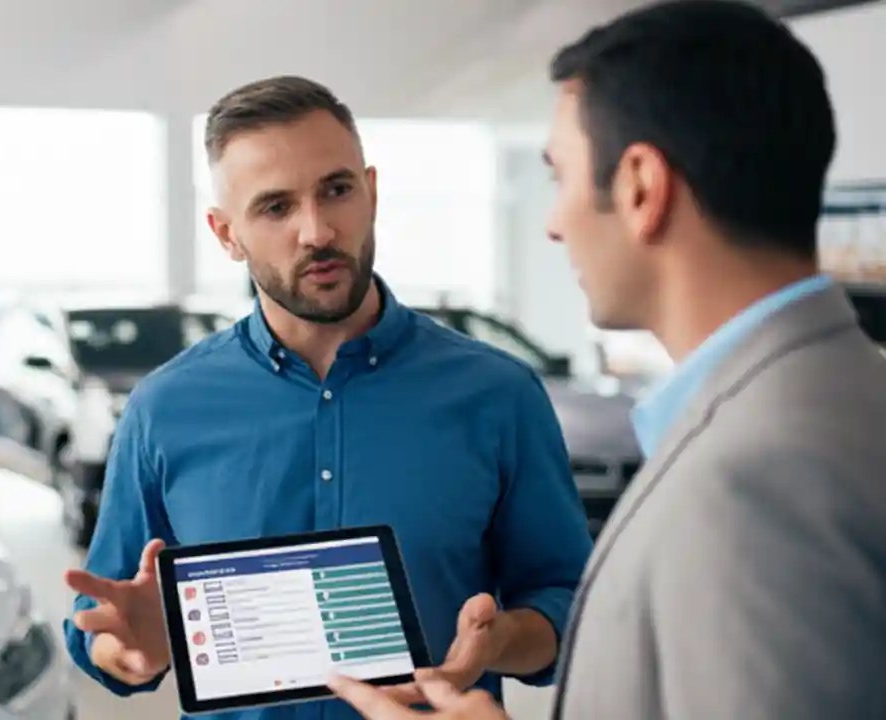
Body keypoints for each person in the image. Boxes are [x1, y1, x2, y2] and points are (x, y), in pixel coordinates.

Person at [328, 1, 886, 718]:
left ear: (641, 187)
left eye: (560, 177)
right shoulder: (843, 397)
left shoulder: (755, 480)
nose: (554, 224)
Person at [61, 75, 594, 719]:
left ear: (371, 193)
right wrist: (127, 650)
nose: (316, 231)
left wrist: (501, 640)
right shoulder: (163, 410)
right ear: (227, 234)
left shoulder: (499, 395)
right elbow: (101, 616)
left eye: (336, 191)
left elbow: (568, 603)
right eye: (275, 207)